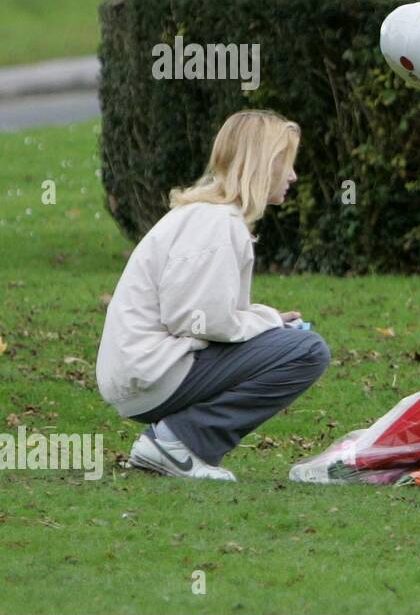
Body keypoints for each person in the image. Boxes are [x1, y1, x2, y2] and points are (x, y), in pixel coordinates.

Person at [95, 110, 330, 481]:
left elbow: (203, 315)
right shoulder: (217, 223)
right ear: (262, 163)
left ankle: (176, 440)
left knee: (289, 341)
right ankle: (180, 443)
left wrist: (267, 324)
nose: (293, 175)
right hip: (150, 373)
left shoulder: (212, 216)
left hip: (143, 371)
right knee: (308, 351)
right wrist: (266, 322)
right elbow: (195, 319)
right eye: (286, 163)